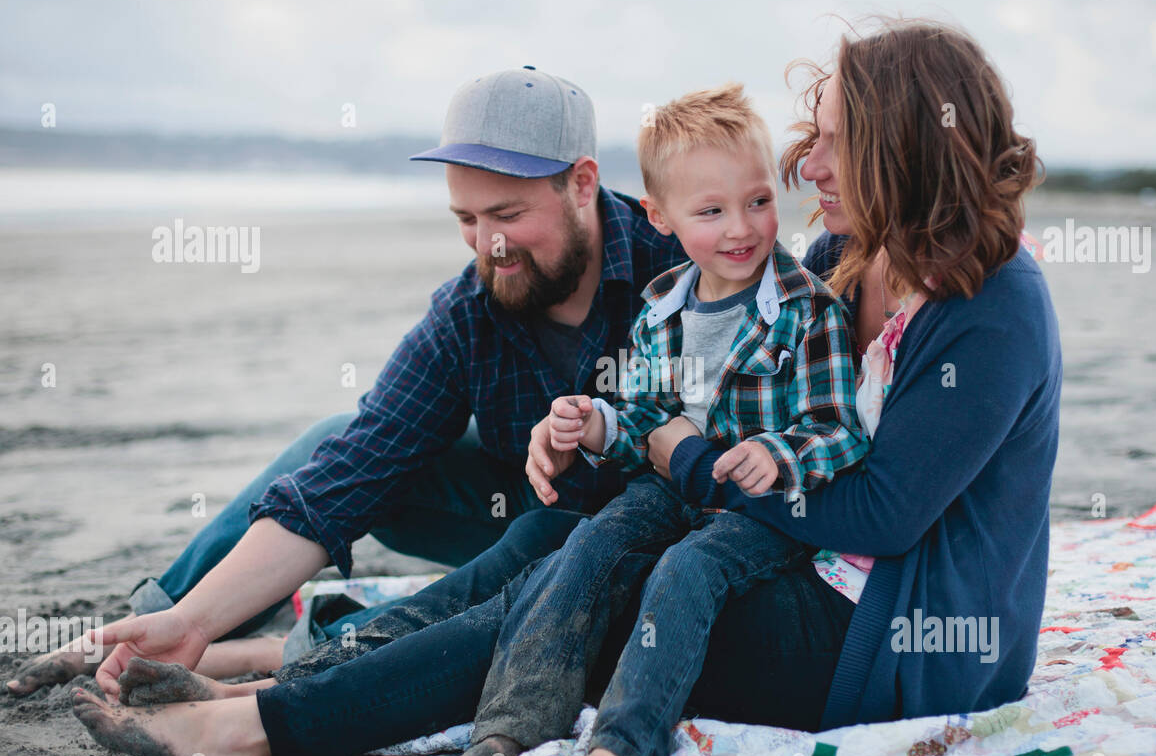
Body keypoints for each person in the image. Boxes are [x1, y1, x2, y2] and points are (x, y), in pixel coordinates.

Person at [73, 18, 1061, 756]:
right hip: (793, 562)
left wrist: (685, 459)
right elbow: (363, 461)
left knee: (591, 603)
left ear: (898, 146)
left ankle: (255, 722)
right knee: (558, 556)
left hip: (898, 642)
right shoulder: (860, 259)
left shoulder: (994, 303)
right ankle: (259, 684)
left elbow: (883, 513)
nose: (809, 161)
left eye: (835, 139)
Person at [6, 66, 686, 698]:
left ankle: (273, 653)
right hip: (513, 521)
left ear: (584, 183)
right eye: (467, 220)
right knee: (341, 444)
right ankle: (160, 624)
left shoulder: (684, 263)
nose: (488, 246)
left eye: (507, 216)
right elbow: (351, 472)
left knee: (533, 557)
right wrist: (194, 622)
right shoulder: (468, 311)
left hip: (662, 549)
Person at [421, 82, 867, 756]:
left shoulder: (808, 312)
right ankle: (510, 729)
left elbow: (841, 432)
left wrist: (776, 454)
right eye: (712, 211)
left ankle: (622, 753)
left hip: (760, 512)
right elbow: (643, 420)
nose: (741, 229)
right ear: (660, 216)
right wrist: (594, 424)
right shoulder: (662, 308)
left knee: (685, 570)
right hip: (668, 489)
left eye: (757, 202)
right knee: (590, 543)